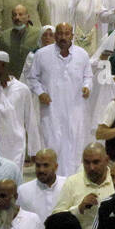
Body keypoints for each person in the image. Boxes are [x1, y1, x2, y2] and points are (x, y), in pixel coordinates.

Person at [25, 22, 94, 176]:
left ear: (72, 36)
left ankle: (72, 181)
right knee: (53, 143)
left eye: (67, 33)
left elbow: (88, 76)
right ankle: (53, 180)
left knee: (74, 144)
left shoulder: (82, 54)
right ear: (55, 35)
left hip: (75, 108)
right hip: (51, 109)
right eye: (60, 33)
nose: (63, 37)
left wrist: (87, 86)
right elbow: (32, 78)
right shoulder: (42, 54)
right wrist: (40, 92)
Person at [51, 142, 115, 229]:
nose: (91, 167)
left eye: (96, 162)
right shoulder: (72, 182)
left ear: (106, 160)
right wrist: (79, 209)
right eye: (86, 162)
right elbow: (56, 219)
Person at [18, 149, 63, 220]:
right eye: (38, 165)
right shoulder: (23, 190)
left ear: (56, 167)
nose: (41, 170)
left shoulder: (67, 185)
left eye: (46, 165)